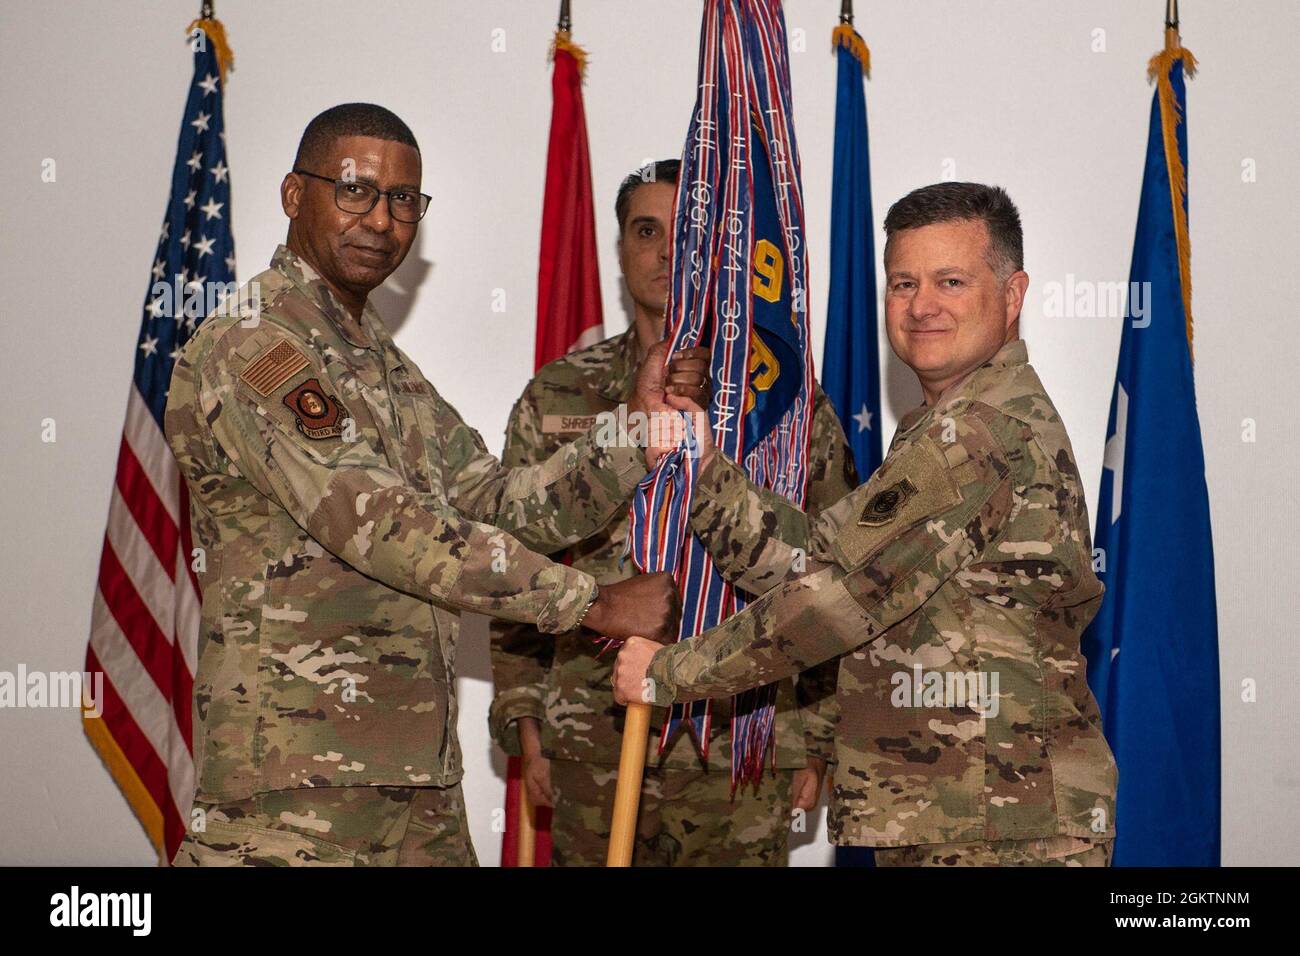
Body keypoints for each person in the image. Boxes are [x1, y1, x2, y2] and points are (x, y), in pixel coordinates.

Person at [165, 103, 688, 867]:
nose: (381, 219)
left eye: (403, 201)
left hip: (414, 779)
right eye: (355, 191)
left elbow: (500, 504)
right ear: (292, 194)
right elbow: (384, 524)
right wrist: (596, 605)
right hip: (300, 780)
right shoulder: (258, 343)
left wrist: (635, 434)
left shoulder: (381, 364)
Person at [615, 182, 1119, 867]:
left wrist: (669, 673)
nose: (922, 306)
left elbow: (832, 603)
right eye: (903, 282)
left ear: (1013, 293)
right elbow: (814, 564)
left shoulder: (977, 437)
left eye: (951, 281)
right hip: (958, 814)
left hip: (1000, 826)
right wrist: (701, 470)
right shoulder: (939, 431)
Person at [489, 160, 857, 866]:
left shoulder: (781, 400)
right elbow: (515, 561)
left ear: (718, 250)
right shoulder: (563, 392)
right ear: (620, 250)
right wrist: (526, 720)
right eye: (644, 231)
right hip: (589, 724)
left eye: (685, 234)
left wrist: (818, 736)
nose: (664, 253)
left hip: (741, 726)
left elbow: (831, 571)